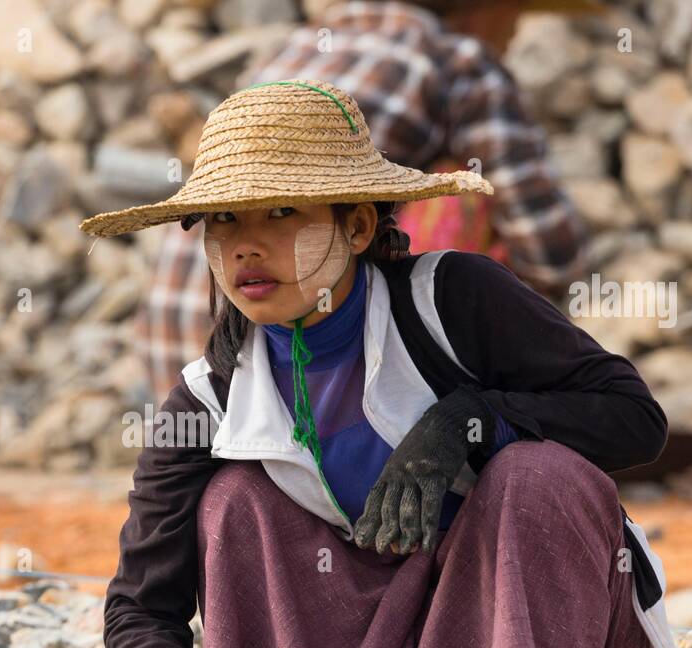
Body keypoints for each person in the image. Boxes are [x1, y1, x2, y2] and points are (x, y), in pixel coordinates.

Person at [79, 79, 683, 648]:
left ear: (359, 225)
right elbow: (135, 610)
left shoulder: (452, 302)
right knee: (235, 500)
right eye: (224, 221)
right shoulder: (207, 401)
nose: (245, 247)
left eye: (282, 213)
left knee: (535, 475)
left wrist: (470, 419)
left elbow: (636, 419)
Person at [135, 0, 601, 402]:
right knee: (460, 194)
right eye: (515, 13)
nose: (515, 32)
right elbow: (549, 251)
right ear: (482, 8)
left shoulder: (294, 49)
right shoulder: (455, 58)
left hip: (176, 362)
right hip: (271, 364)